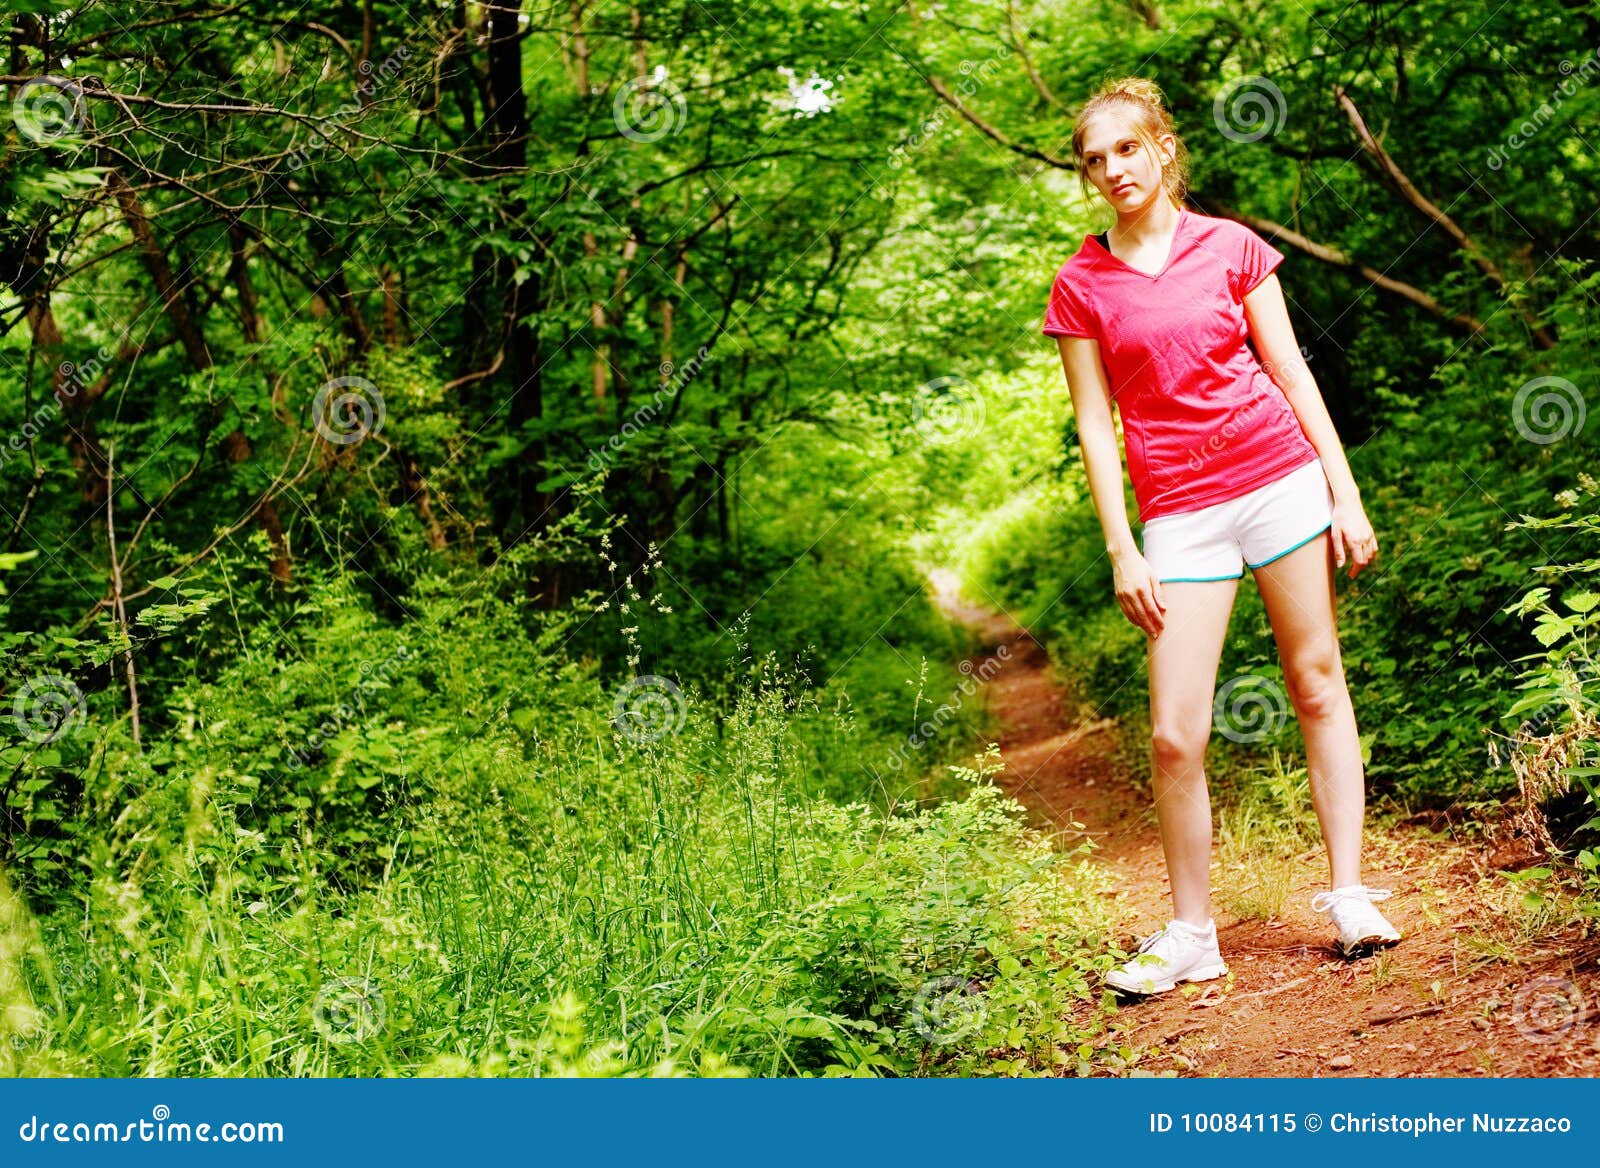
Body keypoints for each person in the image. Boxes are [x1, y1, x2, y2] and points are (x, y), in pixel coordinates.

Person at [1041, 77, 1402, 997]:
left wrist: (1343, 490)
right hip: (1179, 516)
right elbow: (1094, 424)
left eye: (1126, 148)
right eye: (1094, 159)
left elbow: (1290, 371)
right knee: (1174, 735)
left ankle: (1350, 894)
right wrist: (1123, 547)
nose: (1112, 169)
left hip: (1278, 480)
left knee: (1317, 681)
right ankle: (1192, 934)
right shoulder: (1082, 283)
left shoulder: (1232, 247)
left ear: (1162, 148)